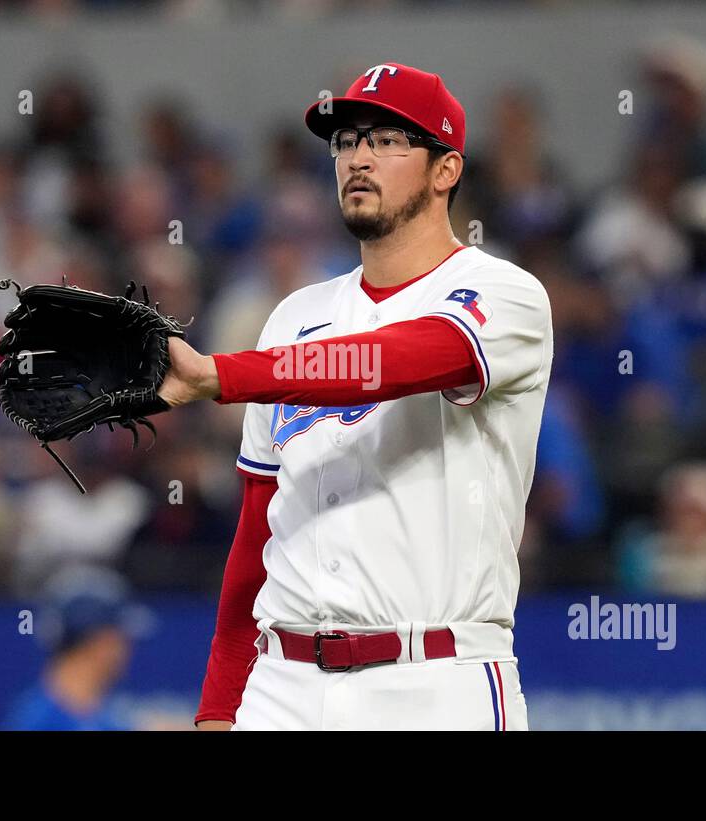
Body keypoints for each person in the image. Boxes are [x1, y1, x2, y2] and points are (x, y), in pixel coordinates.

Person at [159, 63, 553, 730]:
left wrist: (218, 376)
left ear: (445, 170)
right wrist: (218, 709)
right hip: (281, 681)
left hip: (436, 677)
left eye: (387, 139)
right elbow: (258, 532)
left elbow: (387, 362)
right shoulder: (293, 316)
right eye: (346, 141)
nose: (358, 157)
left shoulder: (504, 292)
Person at [3, 566, 153, 731]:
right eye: (120, 636)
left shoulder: (108, 716)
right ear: (95, 641)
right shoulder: (36, 721)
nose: (127, 648)